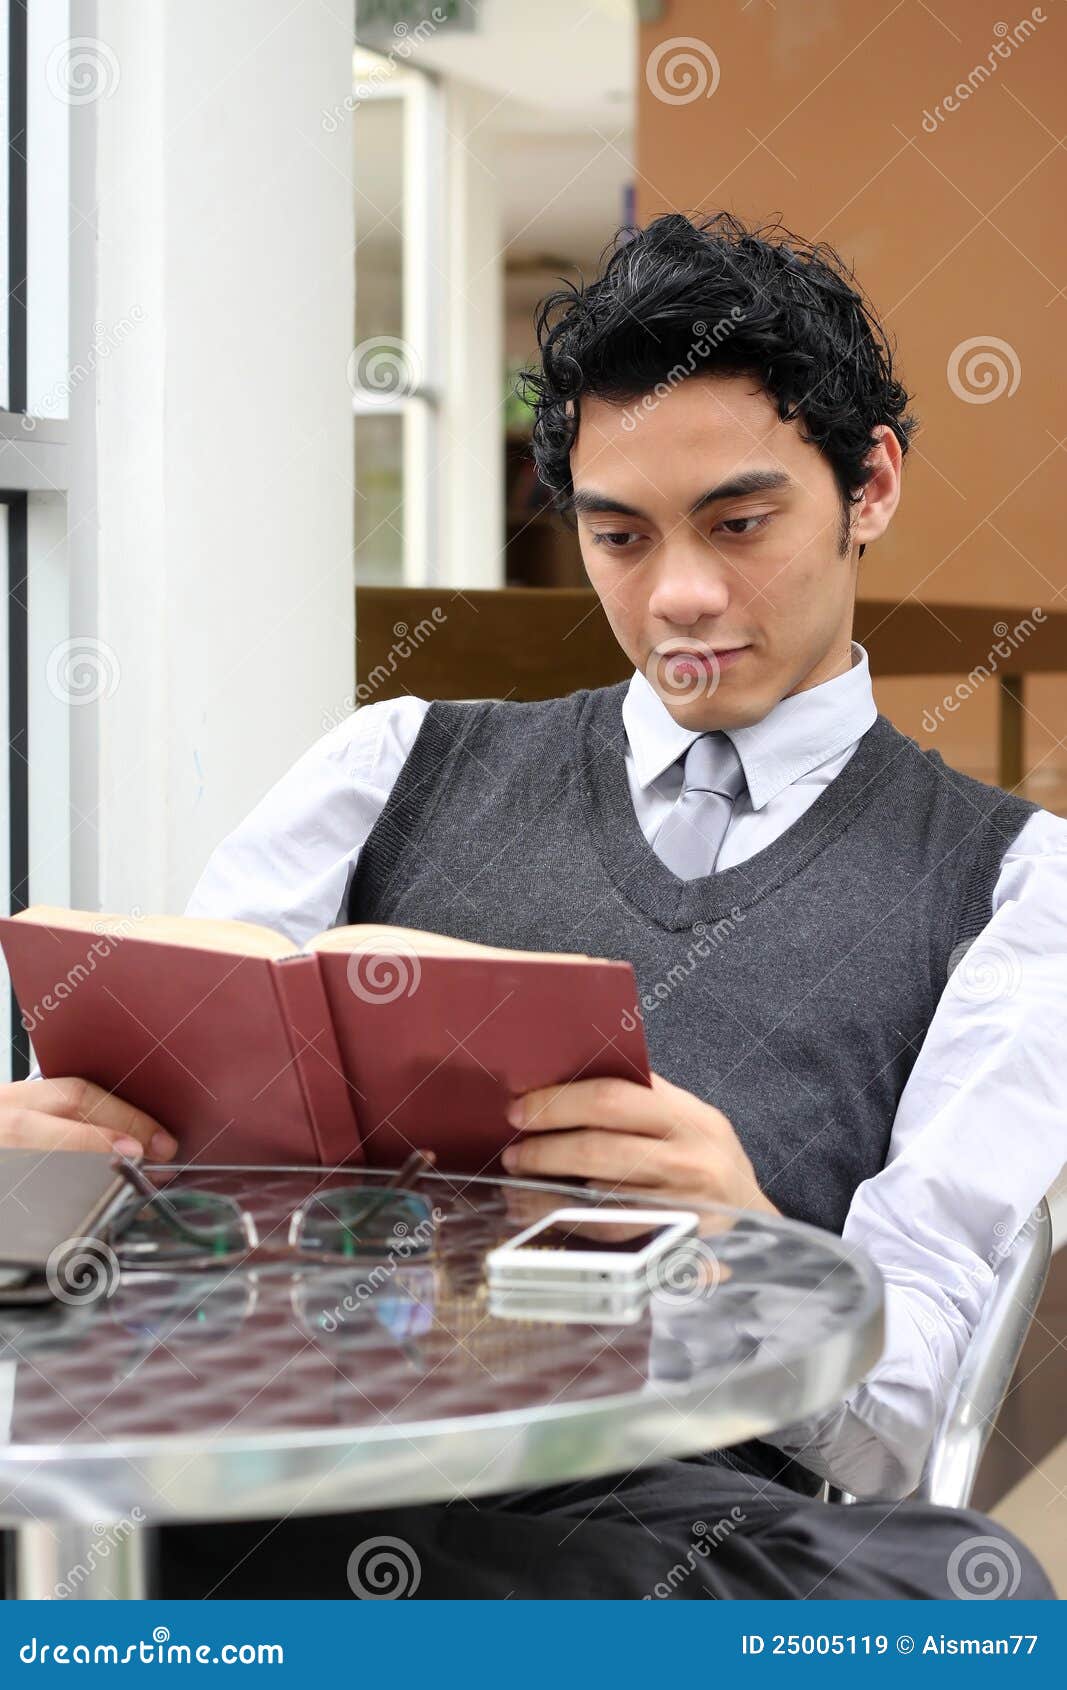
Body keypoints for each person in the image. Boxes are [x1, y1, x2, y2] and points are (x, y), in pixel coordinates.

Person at [1, 212, 1059, 1599]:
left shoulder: (1013, 880)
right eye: (620, 536)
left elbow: (910, 1421)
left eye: (740, 524)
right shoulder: (389, 765)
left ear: (870, 485)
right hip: (286, 1464)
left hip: (659, 1515)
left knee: (939, 1592)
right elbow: (127, 1206)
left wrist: (749, 1241)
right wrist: (49, 1169)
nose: (680, 595)